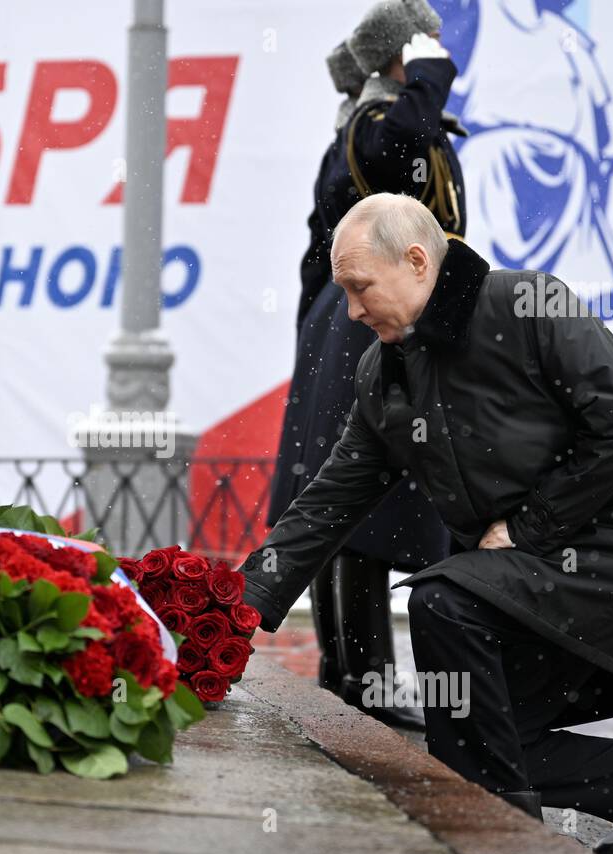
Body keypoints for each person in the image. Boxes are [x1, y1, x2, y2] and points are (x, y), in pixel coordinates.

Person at [240, 192, 613, 854]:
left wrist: (528, 526)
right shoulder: (384, 373)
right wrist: (238, 605)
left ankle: (507, 846)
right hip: (527, 571)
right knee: (482, 738)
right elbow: (331, 500)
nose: (350, 309)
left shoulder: (529, 304)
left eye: (359, 287)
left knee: (444, 602)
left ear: (415, 261)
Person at [268, 0, 466, 730]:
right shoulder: (377, 124)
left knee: (366, 500)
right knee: (362, 500)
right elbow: (407, 140)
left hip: (357, 327)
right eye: (419, 48)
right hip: (364, 329)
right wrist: (430, 77)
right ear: (398, 56)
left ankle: (353, 673)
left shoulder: (369, 124)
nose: (434, 57)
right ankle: (360, 677)